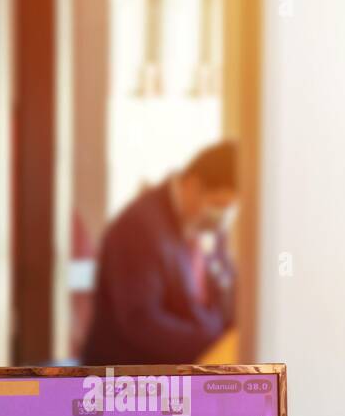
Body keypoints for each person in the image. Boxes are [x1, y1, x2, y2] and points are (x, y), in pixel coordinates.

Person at [82, 142, 239, 365]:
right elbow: (141, 320)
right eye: (218, 204)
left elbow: (222, 294)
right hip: (131, 380)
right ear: (193, 186)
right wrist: (212, 345)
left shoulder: (206, 229)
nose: (222, 217)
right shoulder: (139, 227)